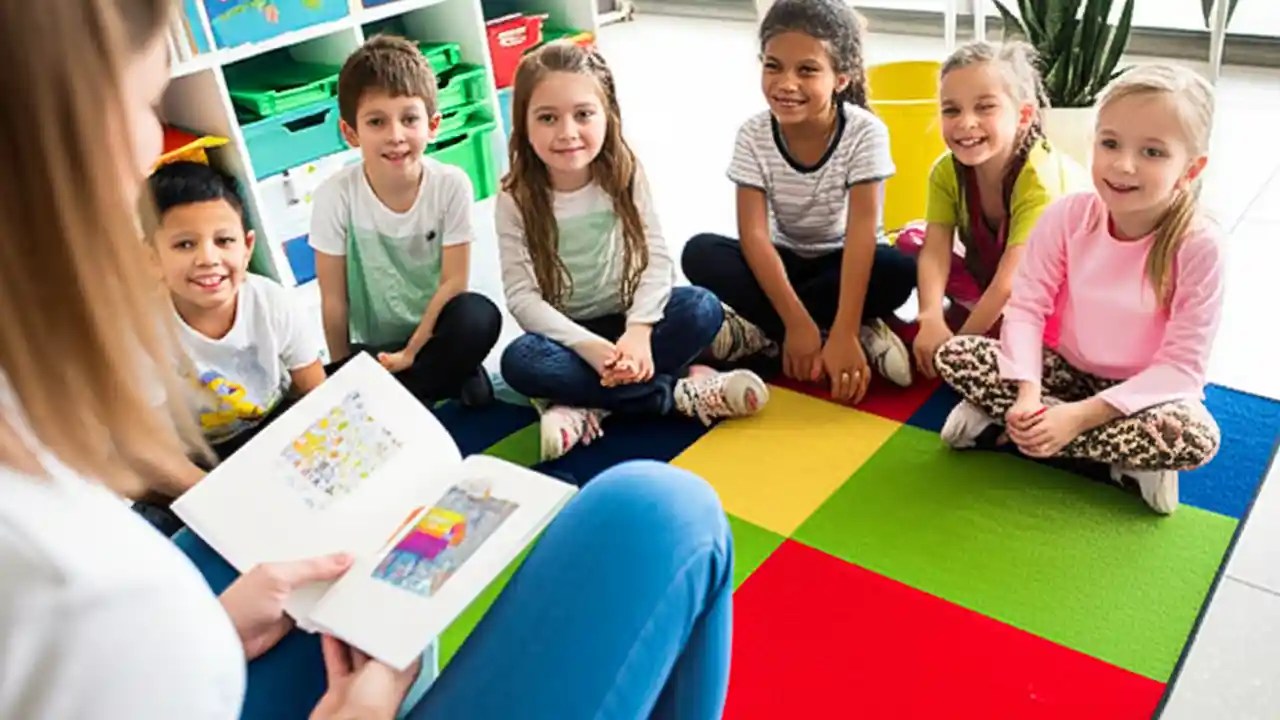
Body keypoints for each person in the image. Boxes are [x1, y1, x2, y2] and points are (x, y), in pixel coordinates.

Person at [0, 2, 734, 719]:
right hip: (205, 658)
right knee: (666, 507)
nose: (147, 142)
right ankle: (655, 395)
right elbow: (464, 301)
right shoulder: (70, 589)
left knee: (350, 558)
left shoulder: (52, 474)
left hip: (200, 641)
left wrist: (222, 622)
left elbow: (478, 289)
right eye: (141, 100)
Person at [933, 64, 1224, 515]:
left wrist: (1078, 418)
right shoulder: (1069, 216)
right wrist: (1029, 393)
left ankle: (1019, 429)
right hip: (1064, 370)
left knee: (1196, 438)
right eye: (1110, 144)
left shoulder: (1199, 244)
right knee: (956, 355)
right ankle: (1091, 448)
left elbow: (1182, 368)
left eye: (1152, 152)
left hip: (1140, 393)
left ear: (1191, 168)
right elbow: (1027, 308)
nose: (1124, 165)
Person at [498, 41, 770, 461]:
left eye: (583, 115)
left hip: (632, 323)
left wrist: (640, 330)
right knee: (520, 361)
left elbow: (657, 258)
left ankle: (586, 402)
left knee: (701, 307)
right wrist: (590, 348)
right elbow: (521, 297)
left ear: (608, 115)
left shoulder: (623, 170)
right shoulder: (515, 195)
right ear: (524, 124)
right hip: (569, 339)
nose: (567, 132)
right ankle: (674, 393)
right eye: (547, 118)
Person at [682, 0, 917, 404]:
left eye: (807, 70)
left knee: (897, 269)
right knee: (700, 252)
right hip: (781, 262)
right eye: (773, 66)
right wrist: (797, 323)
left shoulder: (865, 133)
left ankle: (787, 332)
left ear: (841, 78)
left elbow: (863, 233)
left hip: (843, 263)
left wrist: (843, 333)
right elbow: (753, 235)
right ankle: (818, 327)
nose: (785, 83)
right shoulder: (753, 135)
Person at [310, 35, 500, 408]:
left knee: (479, 317)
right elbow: (333, 300)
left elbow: (454, 282)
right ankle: (441, 379)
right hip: (374, 344)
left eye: (409, 119)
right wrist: (342, 371)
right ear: (351, 133)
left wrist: (412, 351)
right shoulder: (335, 195)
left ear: (432, 125)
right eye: (377, 122)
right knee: (314, 389)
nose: (395, 136)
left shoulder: (451, 184)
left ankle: (416, 383)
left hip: (433, 333)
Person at [901, 40, 1089, 379]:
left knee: (1048, 327)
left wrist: (956, 349)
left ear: (1024, 115)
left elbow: (1011, 281)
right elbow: (935, 252)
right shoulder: (946, 171)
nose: (965, 123)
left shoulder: (1039, 181)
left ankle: (998, 334)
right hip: (995, 279)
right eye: (951, 110)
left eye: (985, 107)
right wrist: (929, 316)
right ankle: (987, 322)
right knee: (909, 240)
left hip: (1054, 292)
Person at [149, 160, 325, 460]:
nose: (208, 258)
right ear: (151, 257)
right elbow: (153, 444)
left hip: (280, 421)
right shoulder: (143, 332)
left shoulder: (269, 300)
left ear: (246, 249)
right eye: (185, 244)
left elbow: (314, 388)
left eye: (224, 241)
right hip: (208, 452)